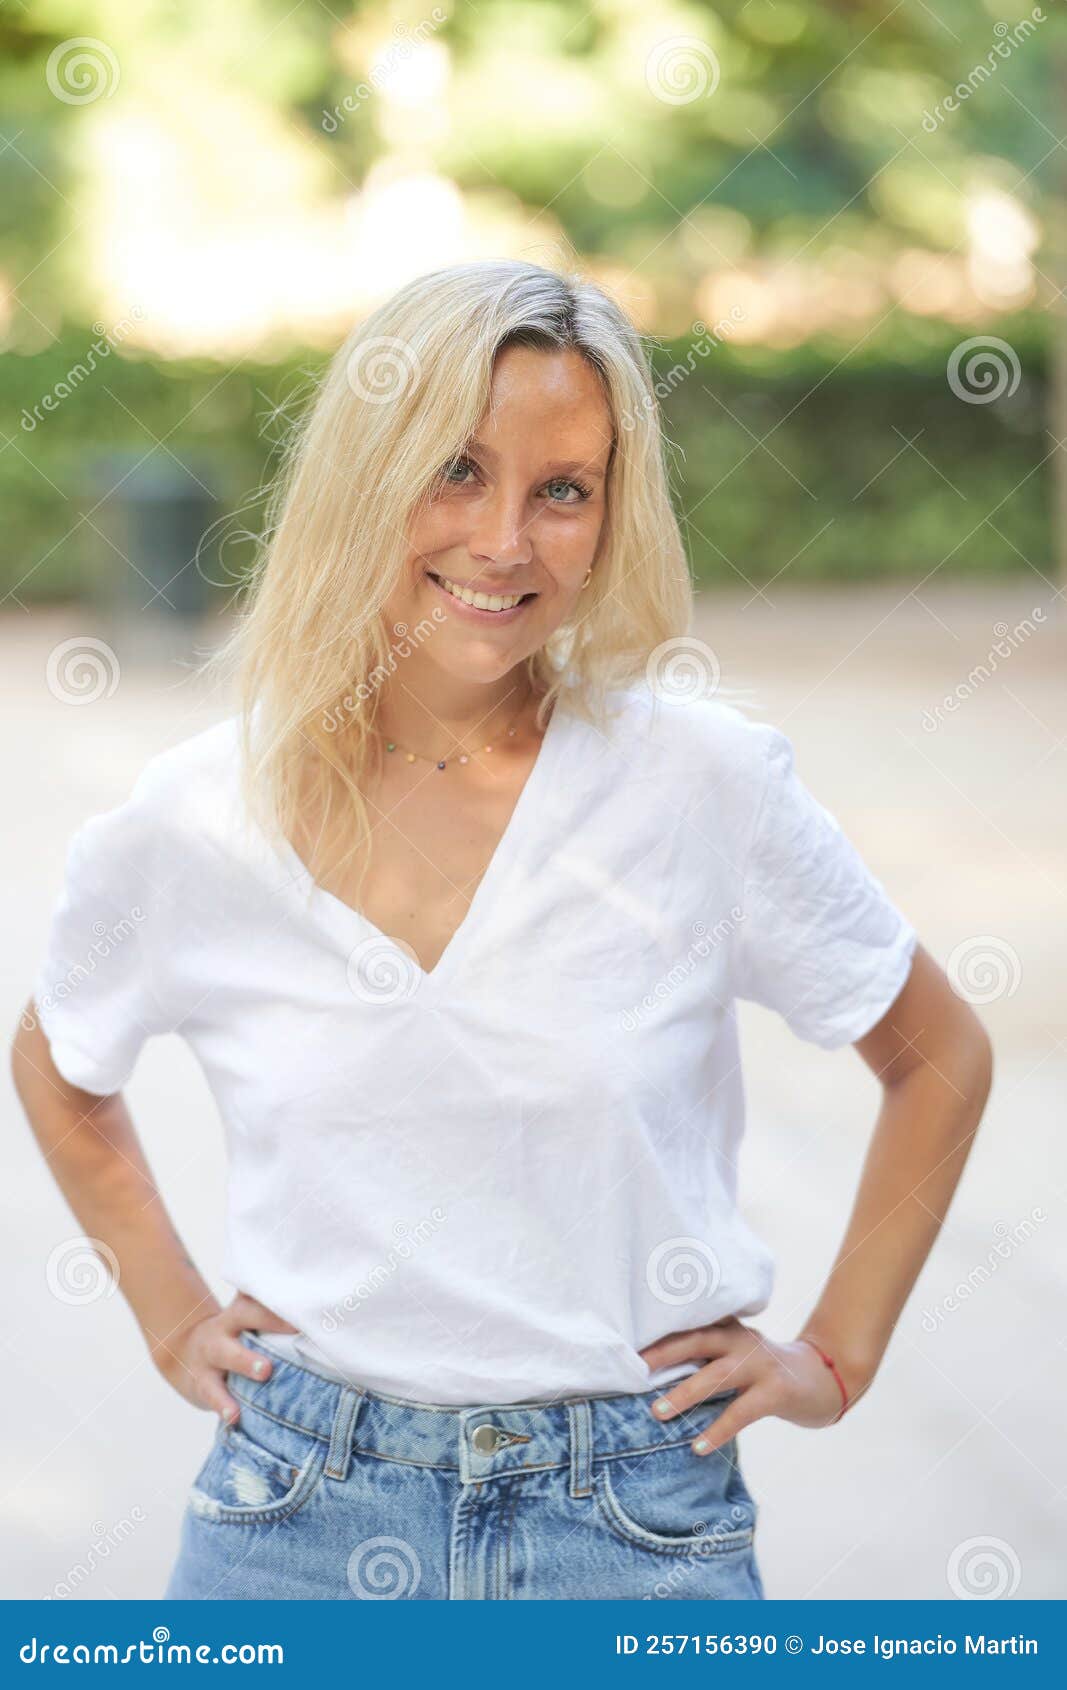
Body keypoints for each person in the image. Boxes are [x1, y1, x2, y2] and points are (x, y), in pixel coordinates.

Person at [12, 259, 992, 1602]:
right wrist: (169, 1308)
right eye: (456, 470)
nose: (506, 539)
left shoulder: (705, 785)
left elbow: (939, 1054)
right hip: (293, 1514)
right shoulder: (196, 817)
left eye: (564, 489)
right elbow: (60, 1065)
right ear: (366, 475)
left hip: (634, 1528)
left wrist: (836, 1353)